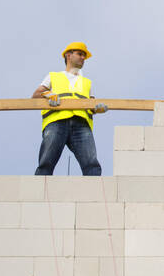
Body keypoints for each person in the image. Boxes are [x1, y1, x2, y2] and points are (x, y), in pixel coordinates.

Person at [30, 41, 108, 175]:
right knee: (46, 163)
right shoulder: (53, 76)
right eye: (80, 54)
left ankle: (94, 194)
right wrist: (48, 94)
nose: (83, 58)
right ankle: (38, 192)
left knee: (92, 164)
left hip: (81, 124)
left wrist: (97, 108)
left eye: (84, 55)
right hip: (56, 122)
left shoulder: (86, 82)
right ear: (68, 55)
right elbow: (35, 96)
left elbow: (91, 104)